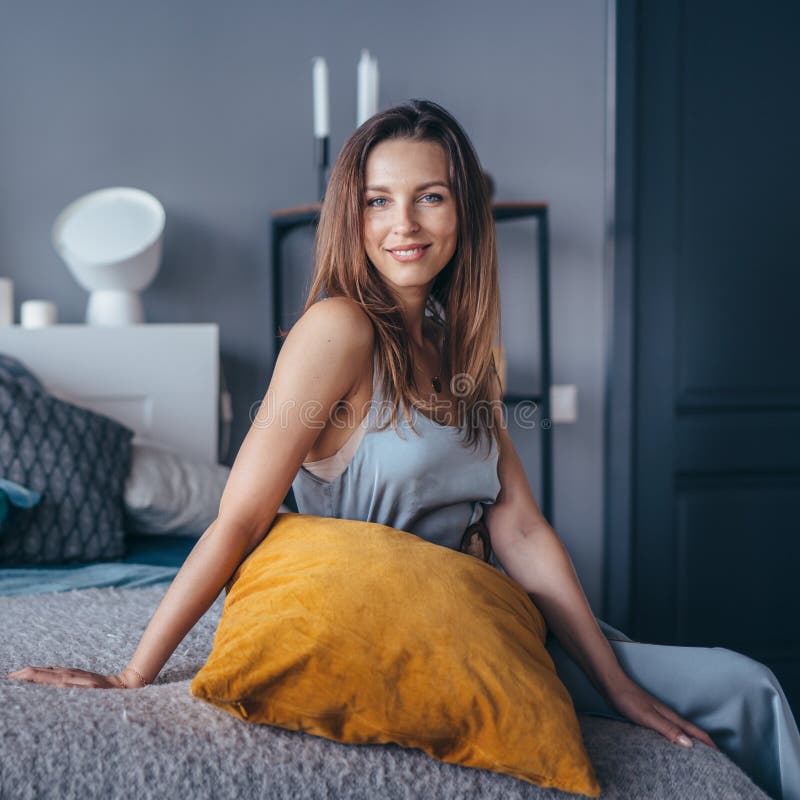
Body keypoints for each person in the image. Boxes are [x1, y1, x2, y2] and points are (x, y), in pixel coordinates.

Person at [6, 99, 799, 800]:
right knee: (749, 686)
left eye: (430, 197)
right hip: (415, 629)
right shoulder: (337, 330)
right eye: (378, 200)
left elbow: (521, 530)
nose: (404, 225)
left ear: (463, 215)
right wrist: (134, 674)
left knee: (735, 686)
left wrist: (613, 678)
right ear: (350, 215)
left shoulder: (458, 350)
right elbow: (242, 517)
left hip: (495, 618)